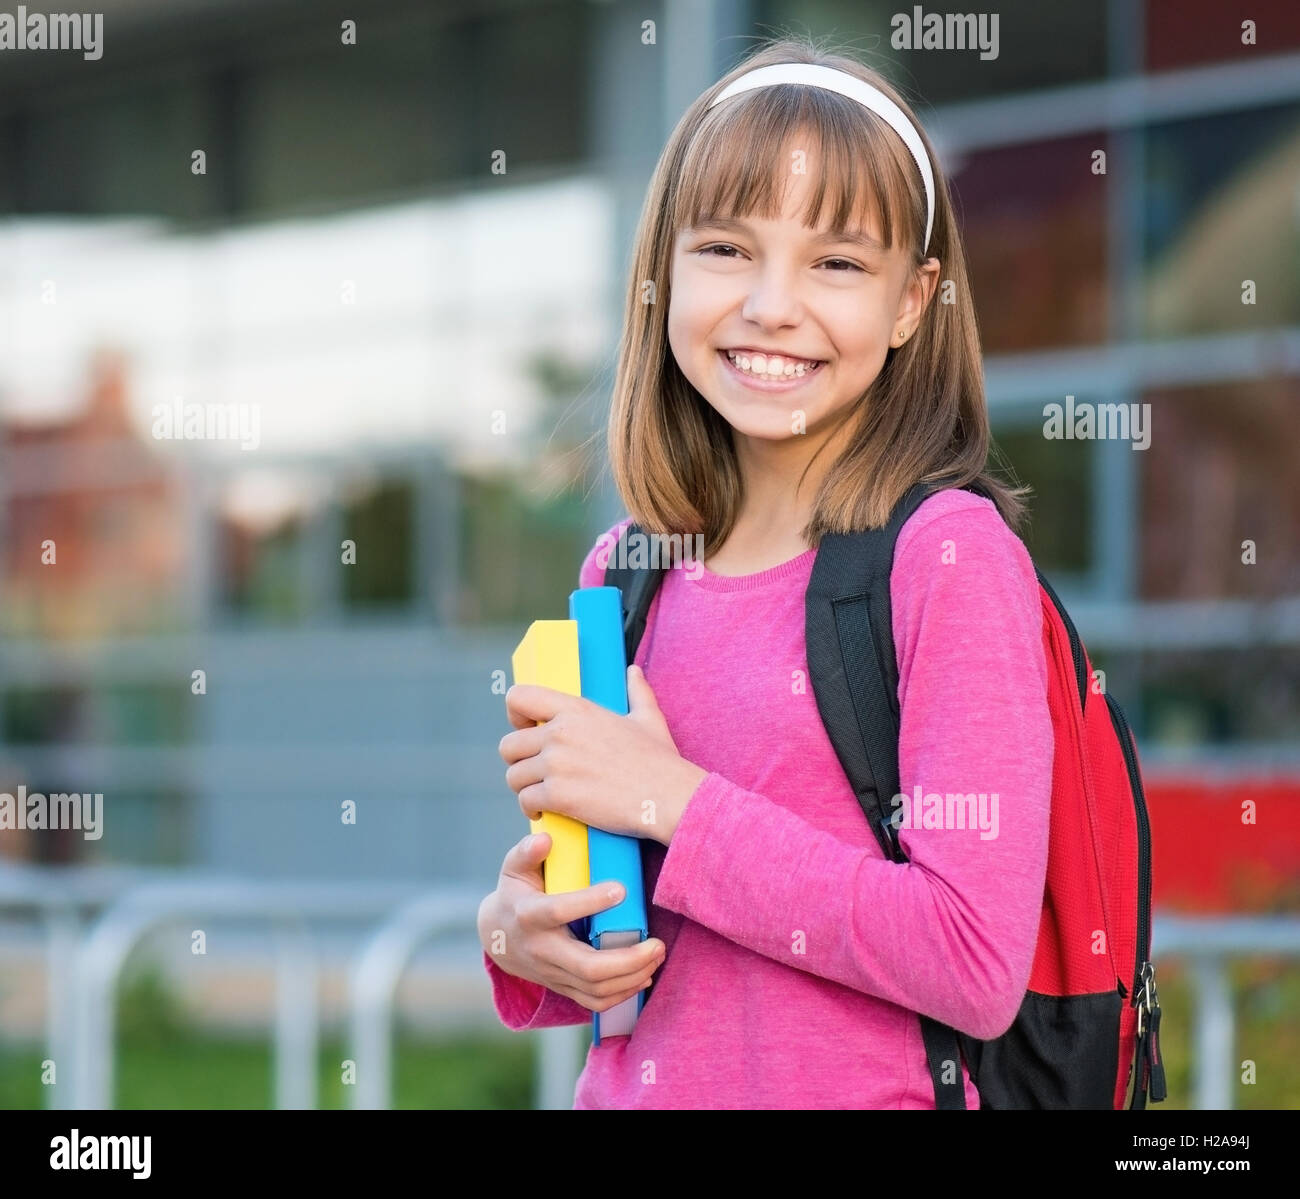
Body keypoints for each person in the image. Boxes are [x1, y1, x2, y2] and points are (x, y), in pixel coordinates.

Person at [477, 33, 1053, 1109]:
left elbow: (973, 963)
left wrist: (670, 798)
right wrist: (525, 935)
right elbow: (641, 937)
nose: (771, 304)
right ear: (663, 273)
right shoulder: (632, 565)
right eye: (726, 249)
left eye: (835, 262)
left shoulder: (949, 557)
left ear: (910, 301)